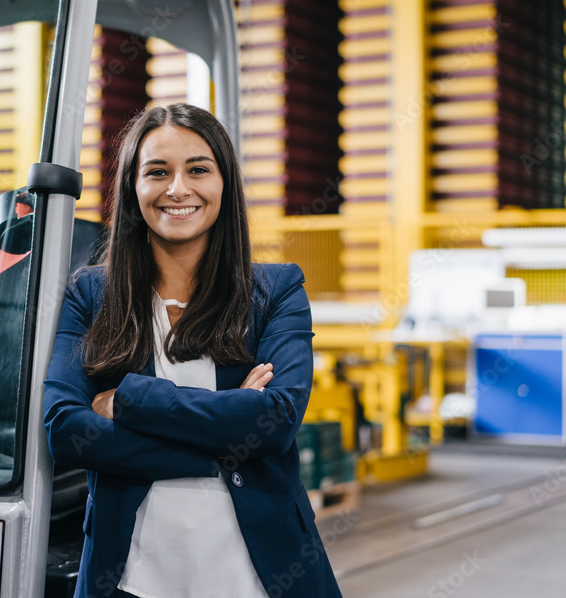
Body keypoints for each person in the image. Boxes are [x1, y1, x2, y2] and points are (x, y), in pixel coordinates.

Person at [43, 103, 342, 598]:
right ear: (133, 188)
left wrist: (128, 400)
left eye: (198, 170)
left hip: (262, 580)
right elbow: (67, 432)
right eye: (157, 172)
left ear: (224, 182)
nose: (177, 189)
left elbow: (275, 420)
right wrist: (228, 439)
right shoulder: (91, 295)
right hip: (129, 581)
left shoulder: (276, 290)